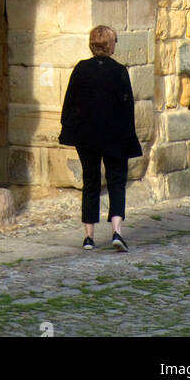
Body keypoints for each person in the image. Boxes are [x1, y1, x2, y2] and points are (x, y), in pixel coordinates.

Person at [58, 24, 142, 252]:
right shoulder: (119, 71)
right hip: (114, 135)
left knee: (91, 182)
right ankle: (117, 232)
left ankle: (89, 237)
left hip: (86, 136)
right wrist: (128, 137)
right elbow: (127, 107)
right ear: (109, 44)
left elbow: (69, 102)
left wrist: (68, 127)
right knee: (116, 182)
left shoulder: (81, 69)